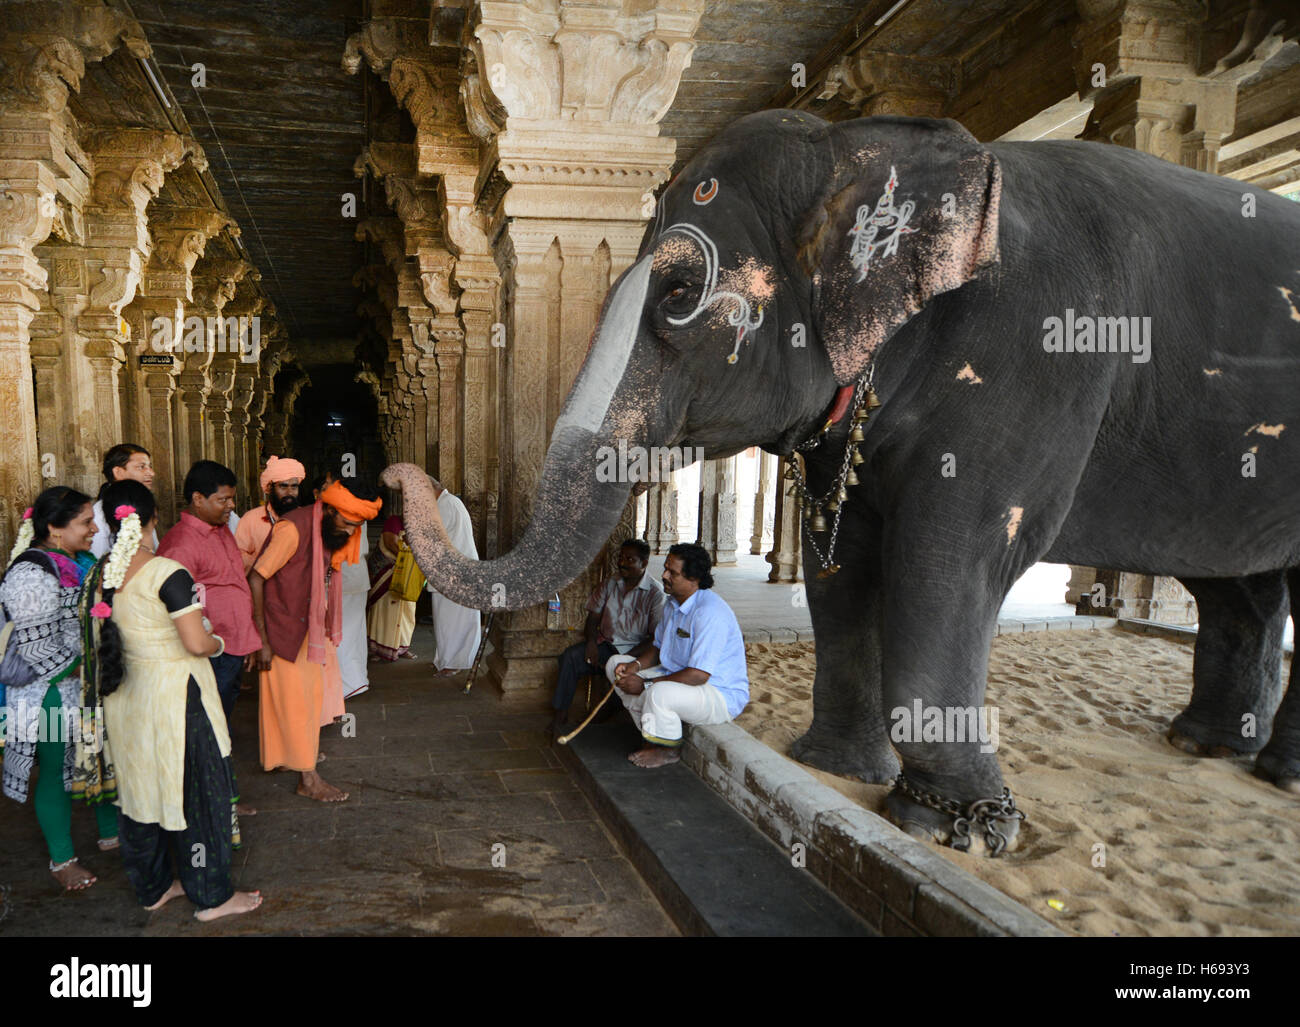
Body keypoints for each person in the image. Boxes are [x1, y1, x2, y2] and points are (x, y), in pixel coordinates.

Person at [89, 480, 261, 921]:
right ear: (151, 520)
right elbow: (196, 643)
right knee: (201, 796)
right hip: (176, 699)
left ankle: (154, 887)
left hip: (125, 698)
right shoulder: (166, 573)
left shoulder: (99, 574)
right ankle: (211, 895)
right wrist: (219, 643)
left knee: (139, 793)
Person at [0, 488, 119, 890]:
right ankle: (62, 859)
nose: (95, 528)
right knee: (53, 771)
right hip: (47, 694)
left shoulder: (80, 562)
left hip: (84, 684)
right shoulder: (30, 573)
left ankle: (112, 835)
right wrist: (90, 664)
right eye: (85, 522)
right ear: (53, 528)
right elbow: (38, 648)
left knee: (102, 754)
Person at [249, 477, 381, 802]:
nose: (352, 533)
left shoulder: (324, 527)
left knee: (304, 698)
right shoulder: (292, 529)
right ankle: (307, 779)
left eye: (357, 526)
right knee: (299, 703)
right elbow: (256, 577)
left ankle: (288, 758)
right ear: (331, 510)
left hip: (307, 626)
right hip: (282, 628)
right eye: (348, 524)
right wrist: (262, 640)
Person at [156, 462, 261, 818]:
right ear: (197, 499)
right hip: (207, 652)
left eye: (232, 499)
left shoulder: (219, 529)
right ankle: (210, 802)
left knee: (220, 724)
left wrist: (245, 639)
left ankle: (222, 796)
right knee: (206, 729)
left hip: (230, 645)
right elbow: (173, 608)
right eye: (223, 500)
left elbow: (232, 583)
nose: (230, 506)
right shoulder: (181, 544)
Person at [607, 543, 749, 768]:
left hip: (718, 693)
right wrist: (634, 666)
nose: (663, 575)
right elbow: (657, 648)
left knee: (658, 692)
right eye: (665, 568)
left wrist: (645, 684)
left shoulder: (709, 613)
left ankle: (668, 750)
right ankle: (651, 732)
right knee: (615, 664)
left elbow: (698, 676)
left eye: (672, 573)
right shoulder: (673, 603)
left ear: (694, 579)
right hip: (677, 676)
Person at [550, 539, 663, 739]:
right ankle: (560, 715)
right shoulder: (610, 583)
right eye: (621, 558)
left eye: (630, 559)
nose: (622, 563)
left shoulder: (655, 593)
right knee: (570, 657)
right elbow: (593, 617)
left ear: (644, 563)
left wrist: (627, 657)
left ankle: (605, 714)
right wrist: (592, 643)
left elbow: (655, 638)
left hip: (633, 653)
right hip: (605, 646)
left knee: (620, 675)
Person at [319, 469, 371, 700]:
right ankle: (358, 679)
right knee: (355, 632)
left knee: (340, 632)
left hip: (345, 577)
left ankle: (347, 683)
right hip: (358, 577)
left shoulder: (344, 512)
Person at [425, 477, 482, 675]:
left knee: (454, 622)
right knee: (446, 620)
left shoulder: (447, 505)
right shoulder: (446, 503)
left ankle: (454, 662)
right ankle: (445, 659)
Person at [235, 455, 304, 573]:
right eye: (283, 486)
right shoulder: (251, 519)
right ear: (270, 488)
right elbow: (236, 554)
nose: (289, 492)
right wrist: (265, 565)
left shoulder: (306, 519)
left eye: (294, 487)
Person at [90, 444, 158, 559]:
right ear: (118, 472)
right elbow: (98, 560)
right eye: (141, 467)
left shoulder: (142, 504)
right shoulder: (99, 514)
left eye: (149, 467)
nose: (151, 473)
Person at [366, 515, 417, 661]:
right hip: (387, 571)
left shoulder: (421, 523)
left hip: (408, 573)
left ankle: (402, 647)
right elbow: (390, 543)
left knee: (407, 610)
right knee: (384, 609)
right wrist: (406, 558)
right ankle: (379, 649)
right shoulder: (394, 521)